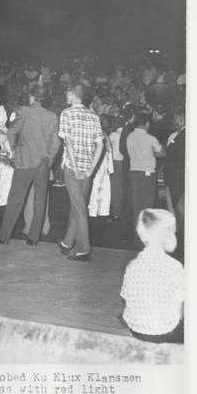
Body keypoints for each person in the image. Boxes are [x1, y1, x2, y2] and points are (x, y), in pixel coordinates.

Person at [0, 84, 60, 246]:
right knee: (40, 199)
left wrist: (14, 150)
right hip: (43, 163)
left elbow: (11, 131)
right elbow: (56, 143)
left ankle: (3, 236)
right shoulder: (52, 116)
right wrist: (49, 160)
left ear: (32, 97)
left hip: (24, 162)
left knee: (16, 198)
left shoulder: (23, 110)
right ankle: (34, 238)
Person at [120, 208, 184, 343]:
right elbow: (179, 308)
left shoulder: (132, 264)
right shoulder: (174, 266)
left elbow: (125, 298)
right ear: (166, 235)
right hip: (166, 331)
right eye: (174, 232)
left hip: (136, 330)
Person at [58, 84, 104, 261]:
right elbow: (100, 145)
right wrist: (91, 168)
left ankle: (84, 250)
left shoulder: (66, 113)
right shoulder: (93, 115)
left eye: (67, 93)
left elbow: (68, 143)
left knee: (79, 208)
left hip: (73, 167)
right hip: (88, 169)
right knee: (78, 206)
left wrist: (75, 167)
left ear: (74, 95)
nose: (66, 95)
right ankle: (67, 243)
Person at [126, 112, 165, 234]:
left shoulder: (129, 137)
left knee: (136, 205)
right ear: (147, 124)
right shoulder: (150, 138)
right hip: (147, 174)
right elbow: (161, 152)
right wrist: (153, 153)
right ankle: (146, 236)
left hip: (133, 172)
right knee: (147, 205)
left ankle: (136, 235)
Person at [163, 111, 185, 259]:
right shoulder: (179, 135)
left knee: (179, 208)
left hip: (177, 177)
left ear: (182, 119)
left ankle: (181, 239)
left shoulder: (183, 136)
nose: (173, 123)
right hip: (175, 177)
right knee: (177, 208)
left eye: (175, 120)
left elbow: (177, 156)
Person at [88, 114, 115, 219]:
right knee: (98, 194)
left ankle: (97, 214)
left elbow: (108, 152)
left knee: (99, 194)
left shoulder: (103, 135)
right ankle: (95, 214)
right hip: (100, 169)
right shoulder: (100, 135)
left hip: (101, 169)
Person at [108, 115, 126, 222]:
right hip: (124, 163)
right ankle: (119, 211)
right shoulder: (126, 134)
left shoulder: (113, 135)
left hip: (115, 162)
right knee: (121, 188)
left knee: (114, 189)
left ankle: (116, 212)